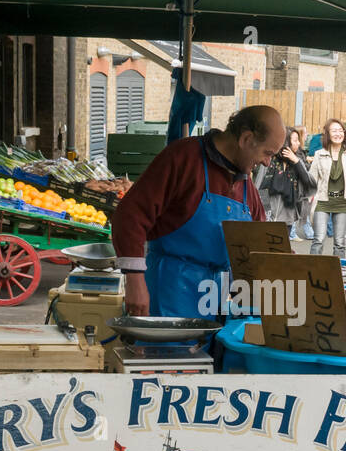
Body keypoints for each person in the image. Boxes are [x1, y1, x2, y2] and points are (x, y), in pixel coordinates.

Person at [113, 105, 282, 317]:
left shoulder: (247, 187)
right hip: (170, 292)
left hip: (214, 301)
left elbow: (260, 244)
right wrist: (135, 280)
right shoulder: (183, 157)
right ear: (246, 139)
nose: (267, 162)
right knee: (166, 350)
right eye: (268, 153)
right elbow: (130, 215)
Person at [307, 119, 346, 258]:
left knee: (339, 243)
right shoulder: (320, 154)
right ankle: (312, 272)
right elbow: (312, 178)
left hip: (341, 201)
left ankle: (338, 275)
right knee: (318, 239)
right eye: (334, 131)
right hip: (322, 200)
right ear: (328, 134)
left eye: (340, 130)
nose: (338, 134)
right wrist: (308, 196)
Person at [254, 128, 315, 228]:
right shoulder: (269, 161)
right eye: (295, 140)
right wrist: (265, 213)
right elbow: (259, 187)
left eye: (298, 140)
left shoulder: (297, 161)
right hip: (267, 216)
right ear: (286, 143)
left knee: (284, 243)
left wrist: (297, 162)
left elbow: (309, 185)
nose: (299, 143)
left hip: (288, 217)